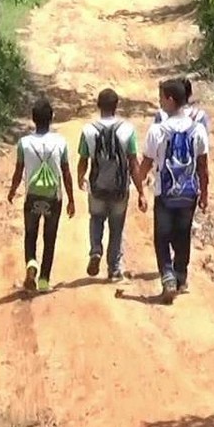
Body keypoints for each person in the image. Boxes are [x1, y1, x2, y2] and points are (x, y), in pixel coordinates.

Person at [138, 78, 209, 304]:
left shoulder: (158, 130)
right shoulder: (198, 130)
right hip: (189, 193)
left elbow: (146, 163)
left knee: (162, 236)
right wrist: (204, 194)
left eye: (161, 98)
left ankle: (168, 276)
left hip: (165, 193)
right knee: (182, 235)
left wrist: (139, 184)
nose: (159, 102)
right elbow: (203, 166)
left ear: (170, 99)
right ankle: (180, 276)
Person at [76, 88, 146, 282]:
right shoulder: (127, 130)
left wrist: (80, 177)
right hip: (120, 189)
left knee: (96, 218)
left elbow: (83, 160)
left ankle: (95, 251)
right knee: (117, 227)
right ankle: (114, 269)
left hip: (97, 187)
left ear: (98, 106)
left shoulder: (88, 130)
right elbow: (133, 163)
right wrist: (141, 191)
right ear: (117, 106)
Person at [7, 98, 76, 292]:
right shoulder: (60, 142)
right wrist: (71, 199)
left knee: (30, 234)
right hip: (54, 198)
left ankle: (31, 264)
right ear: (52, 118)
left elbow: (18, 172)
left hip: (32, 196)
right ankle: (44, 280)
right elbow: (66, 173)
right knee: (50, 237)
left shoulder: (24, 143)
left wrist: (12, 191)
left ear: (33, 119)